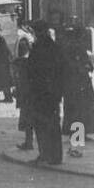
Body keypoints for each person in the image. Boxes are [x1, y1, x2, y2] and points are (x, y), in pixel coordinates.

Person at [59, 25, 94, 155]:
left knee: (77, 110)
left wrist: (87, 67)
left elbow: (87, 64)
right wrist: (84, 68)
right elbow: (74, 65)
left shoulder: (69, 48)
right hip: (77, 84)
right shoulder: (73, 48)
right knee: (79, 110)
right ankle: (78, 136)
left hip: (76, 84)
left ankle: (79, 135)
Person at [29, 23, 63, 165]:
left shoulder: (38, 48)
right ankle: (55, 156)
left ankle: (45, 154)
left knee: (41, 124)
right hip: (53, 92)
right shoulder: (54, 47)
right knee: (53, 124)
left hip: (41, 92)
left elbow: (32, 70)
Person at [14, 37, 35, 150]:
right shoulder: (29, 60)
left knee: (28, 120)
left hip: (26, 95)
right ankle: (29, 142)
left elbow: (20, 80)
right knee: (30, 120)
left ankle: (29, 142)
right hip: (30, 94)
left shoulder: (20, 62)